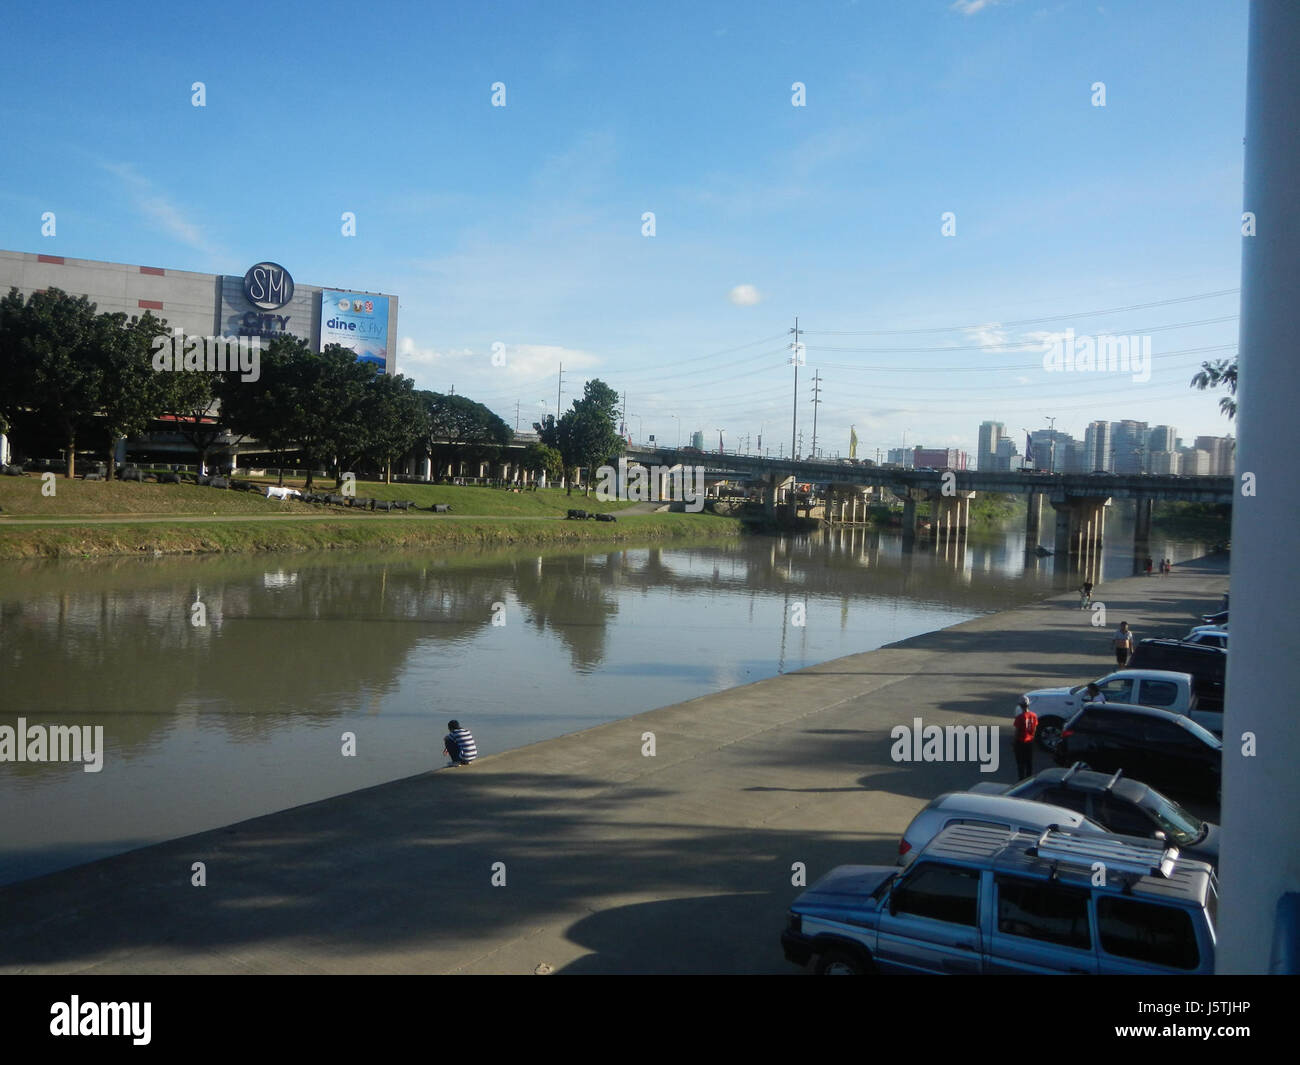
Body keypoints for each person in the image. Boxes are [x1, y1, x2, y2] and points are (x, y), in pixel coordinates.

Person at [1012, 697, 1037, 780]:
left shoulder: (1020, 717)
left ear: (1020, 706)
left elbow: (1017, 731)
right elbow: (1035, 728)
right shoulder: (1034, 715)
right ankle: (1029, 777)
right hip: (1030, 741)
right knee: (1029, 761)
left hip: (1021, 741)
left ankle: (1021, 778)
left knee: (1020, 762)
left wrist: (1014, 742)